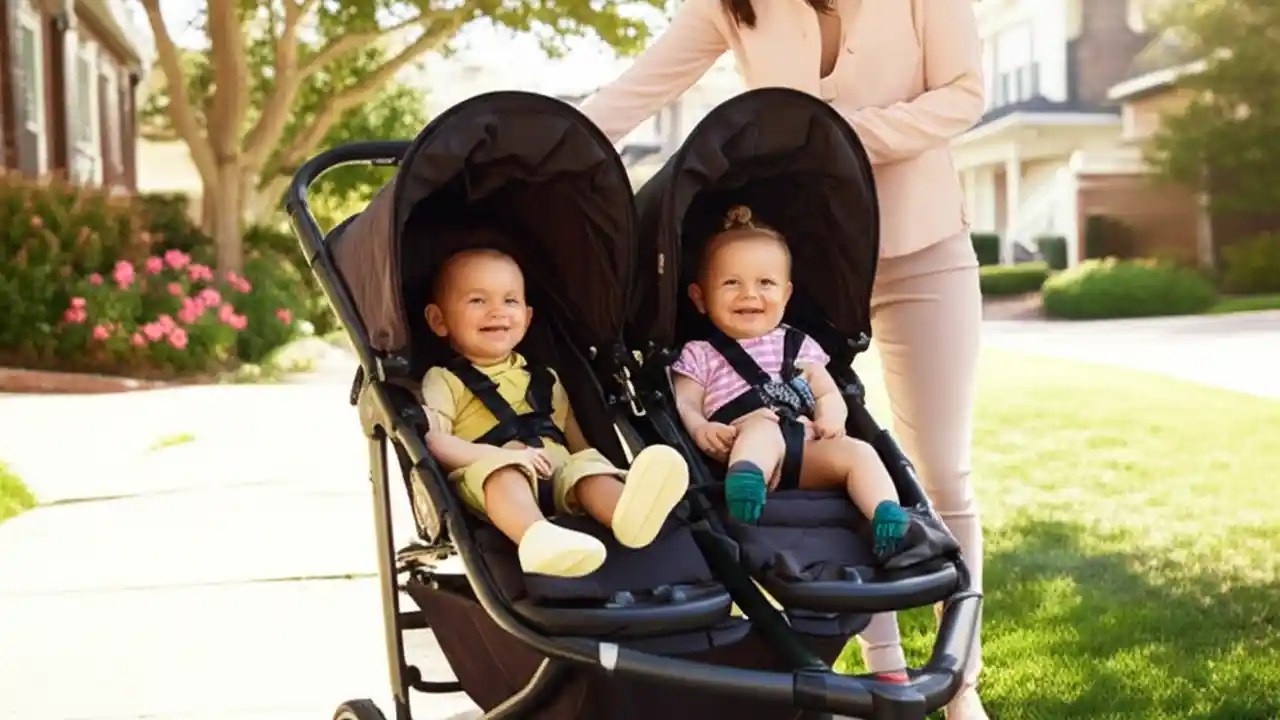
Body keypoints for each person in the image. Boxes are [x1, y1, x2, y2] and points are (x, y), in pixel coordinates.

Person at [576, 1, 989, 717]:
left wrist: (837, 140)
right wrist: (542, 161)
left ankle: (961, 688)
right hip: (796, 283)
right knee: (831, 464)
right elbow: (633, 93)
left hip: (924, 252)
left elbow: (964, 94)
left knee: (940, 469)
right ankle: (881, 672)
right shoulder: (731, 6)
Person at [671, 205, 922, 562]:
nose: (749, 295)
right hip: (740, 441)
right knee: (761, 426)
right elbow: (686, 401)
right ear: (699, 297)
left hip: (807, 446)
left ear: (787, 295)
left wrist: (831, 416)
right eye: (731, 283)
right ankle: (746, 484)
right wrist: (699, 428)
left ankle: (885, 515)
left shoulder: (799, 345)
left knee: (859, 453)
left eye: (765, 283)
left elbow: (825, 390)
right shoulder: (700, 353)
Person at [421, 248, 690, 579]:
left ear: (528, 316)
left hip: (556, 467)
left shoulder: (545, 378)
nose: (497, 311)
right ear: (439, 320)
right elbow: (435, 441)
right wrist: (498, 455)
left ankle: (627, 514)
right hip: (491, 477)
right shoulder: (444, 379)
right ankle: (536, 537)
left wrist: (598, 467)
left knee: (587, 470)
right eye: (478, 301)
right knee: (502, 474)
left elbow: (576, 441)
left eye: (510, 301)